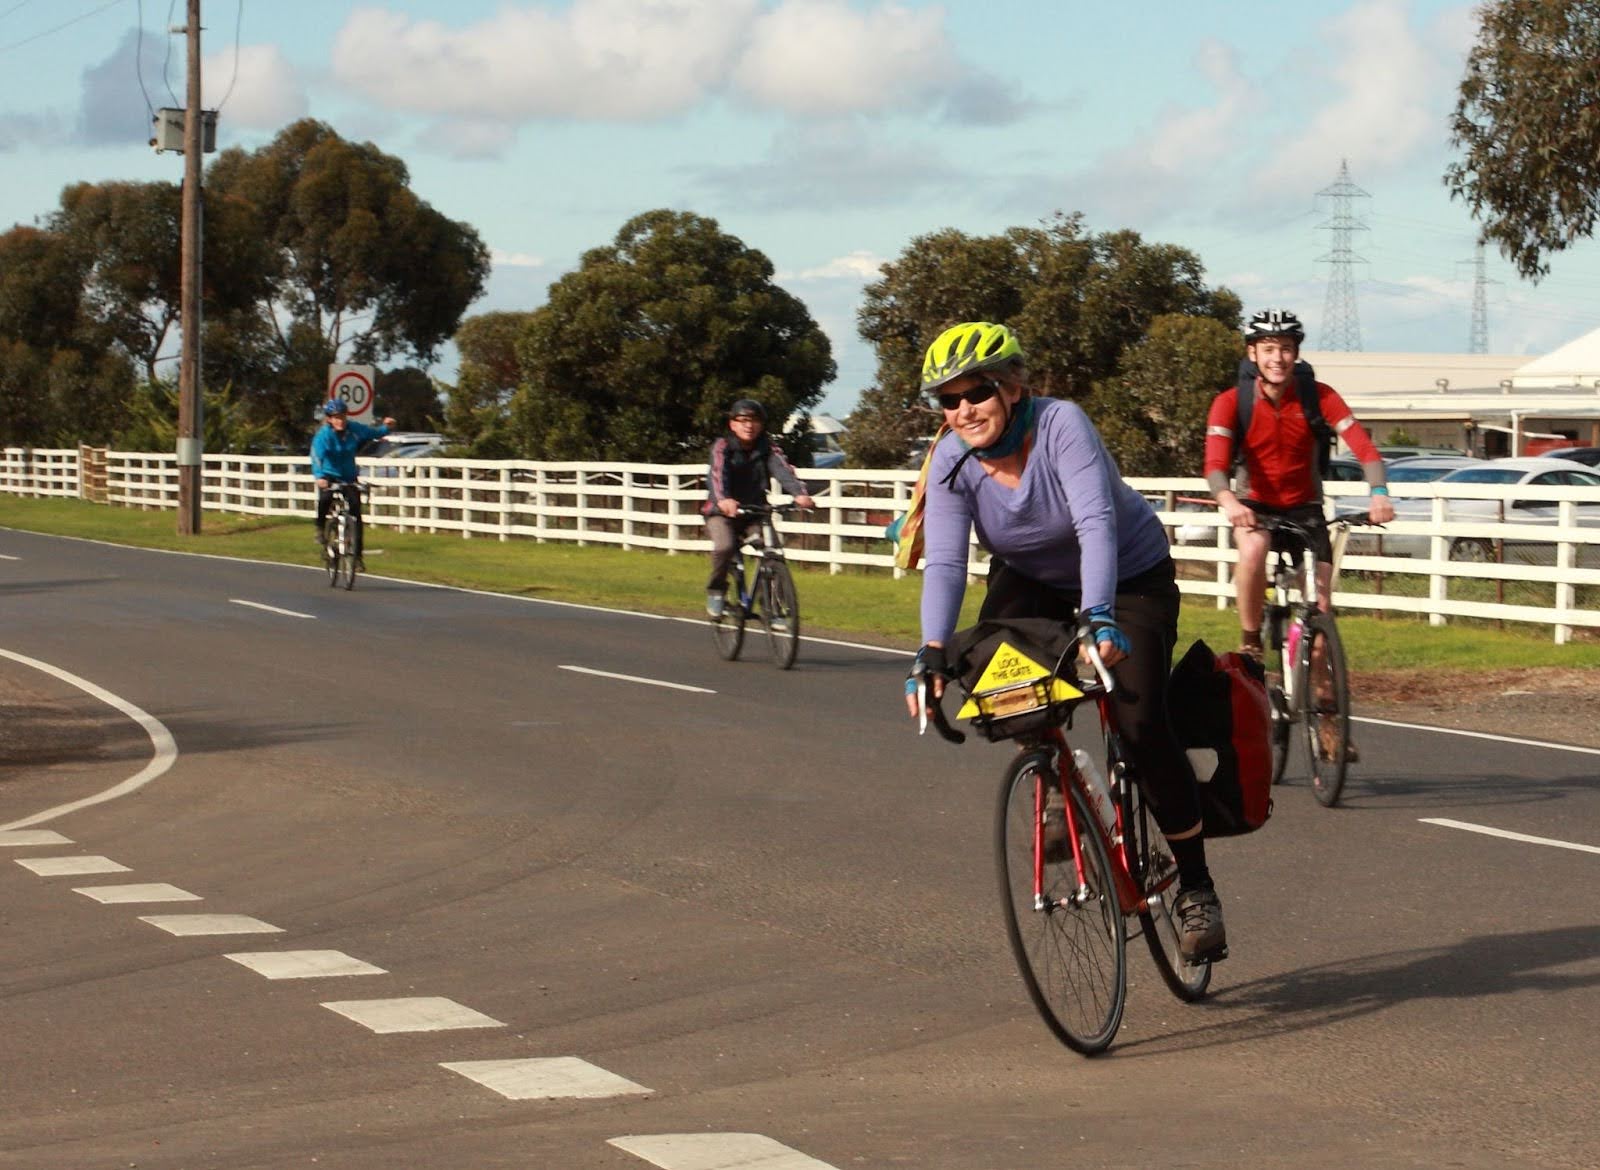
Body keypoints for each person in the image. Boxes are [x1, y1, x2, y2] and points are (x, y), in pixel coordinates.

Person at [903, 321, 1226, 964]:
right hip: (1031, 577)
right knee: (998, 671)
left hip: (1128, 576)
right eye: (948, 399)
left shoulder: (1061, 426)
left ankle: (1196, 887)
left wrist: (1101, 617)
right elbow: (943, 562)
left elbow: (1095, 522)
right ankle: (1054, 782)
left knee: (1137, 718)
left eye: (977, 393)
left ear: (1013, 388)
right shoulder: (951, 460)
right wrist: (930, 650)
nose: (963, 411)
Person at [1203, 308, 1393, 759]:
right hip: (1255, 506)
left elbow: (1364, 446)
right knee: (1253, 546)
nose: (1278, 357)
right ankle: (1251, 639)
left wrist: (1379, 492)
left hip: (1307, 510)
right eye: (1269, 349)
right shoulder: (1231, 401)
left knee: (1321, 616)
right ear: (1253, 353)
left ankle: (1329, 727)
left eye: (1286, 349)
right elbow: (1214, 465)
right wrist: (1229, 502)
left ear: (1296, 354)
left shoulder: (1319, 396)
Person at [701, 399, 814, 619]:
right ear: (732, 424)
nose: (748, 425)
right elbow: (717, 475)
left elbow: (783, 471)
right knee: (725, 547)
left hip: (755, 512)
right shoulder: (722, 446)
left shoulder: (768, 448)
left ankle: (772, 607)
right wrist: (724, 500)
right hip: (721, 513)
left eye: (754, 420)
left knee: (772, 552)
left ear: (761, 425)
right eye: (742, 420)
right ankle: (716, 592)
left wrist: (800, 494)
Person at [310, 398, 395, 568]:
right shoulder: (323, 436)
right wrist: (320, 477)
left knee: (356, 514)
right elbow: (316, 456)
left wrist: (387, 427)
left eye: (342, 417)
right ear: (329, 419)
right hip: (329, 475)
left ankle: (357, 556)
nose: (340, 421)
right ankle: (320, 528)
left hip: (348, 476)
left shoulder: (353, 429)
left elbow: (373, 433)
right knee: (325, 499)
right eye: (336, 417)